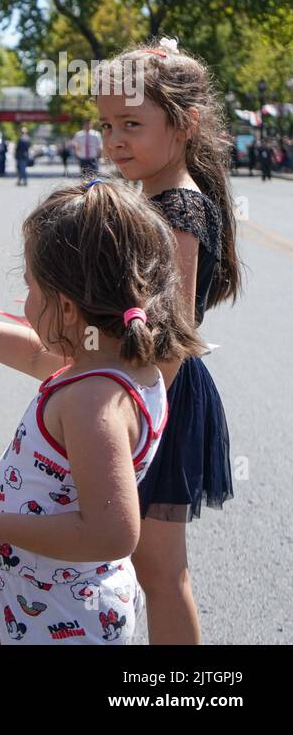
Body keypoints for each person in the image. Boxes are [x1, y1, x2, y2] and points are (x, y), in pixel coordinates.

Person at [0, 179, 204, 644]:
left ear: (66, 307)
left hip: (67, 622)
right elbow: (31, 355)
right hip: (55, 609)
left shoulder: (93, 402)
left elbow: (112, 532)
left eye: (30, 288)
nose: (24, 305)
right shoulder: (115, 362)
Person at [94, 38, 240, 644]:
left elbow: (171, 338)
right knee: (145, 565)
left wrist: (131, 419)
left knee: (160, 569)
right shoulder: (149, 196)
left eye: (132, 123)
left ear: (185, 125)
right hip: (143, 390)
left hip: (160, 397)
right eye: (105, 126)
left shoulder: (177, 207)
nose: (115, 140)